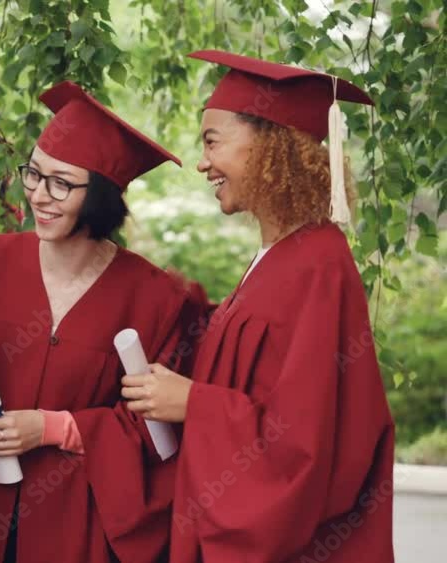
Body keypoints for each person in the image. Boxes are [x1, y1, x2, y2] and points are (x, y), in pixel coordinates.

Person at [0, 81, 196, 563]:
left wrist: (55, 428)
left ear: (101, 196)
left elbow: (158, 432)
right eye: (33, 173)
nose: (39, 195)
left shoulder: (154, 298)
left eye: (62, 183)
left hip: (76, 529)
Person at [121, 50, 395, 563]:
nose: (202, 162)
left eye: (212, 142)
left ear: (269, 143)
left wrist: (194, 404)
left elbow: (303, 444)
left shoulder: (317, 265)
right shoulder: (279, 256)